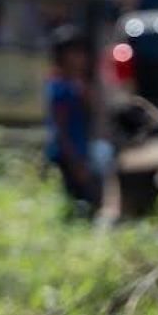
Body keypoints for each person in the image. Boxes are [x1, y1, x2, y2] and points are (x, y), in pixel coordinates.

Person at [46, 25, 98, 214]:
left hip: (80, 154)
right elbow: (60, 128)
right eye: (75, 53)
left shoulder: (78, 84)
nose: (81, 58)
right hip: (66, 158)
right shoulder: (59, 87)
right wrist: (75, 162)